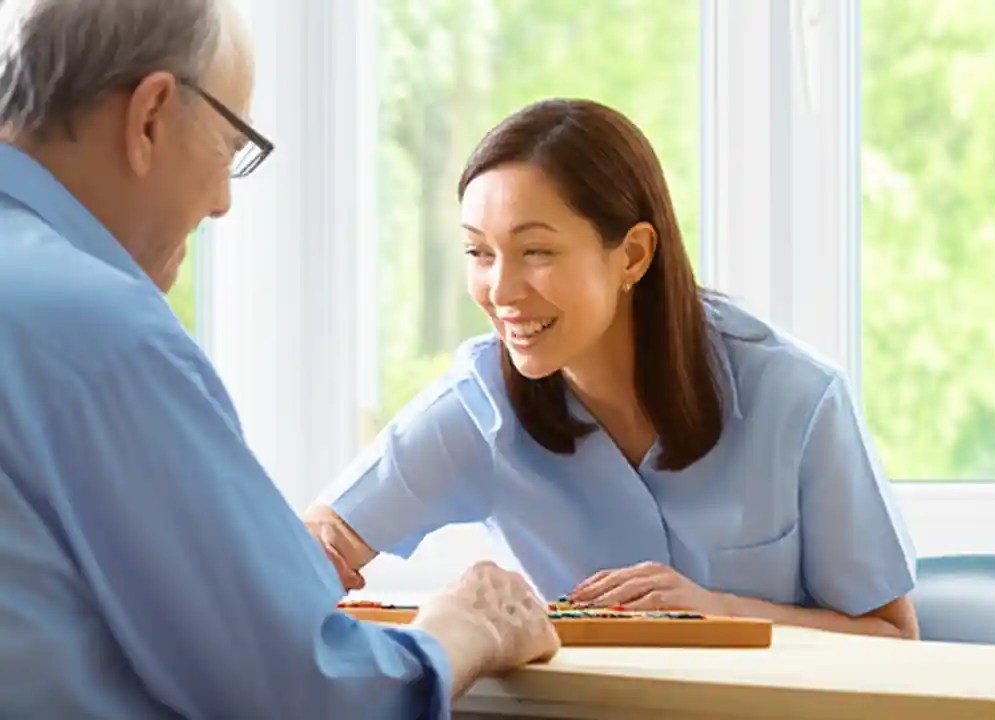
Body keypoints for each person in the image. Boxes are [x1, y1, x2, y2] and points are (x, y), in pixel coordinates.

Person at [0, 0, 557, 717]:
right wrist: (463, 631)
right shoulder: (99, 328)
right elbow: (306, 694)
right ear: (151, 117)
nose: (222, 204)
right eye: (230, 151)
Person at [306, 98, 921, 639]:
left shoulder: (797, 399)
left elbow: (892, 635)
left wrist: (720, 612)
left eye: (536, 252)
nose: (501, 289)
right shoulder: (480, 404)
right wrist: (311, 554)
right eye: (479, 252)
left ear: (632, 254)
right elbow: (324, 537)